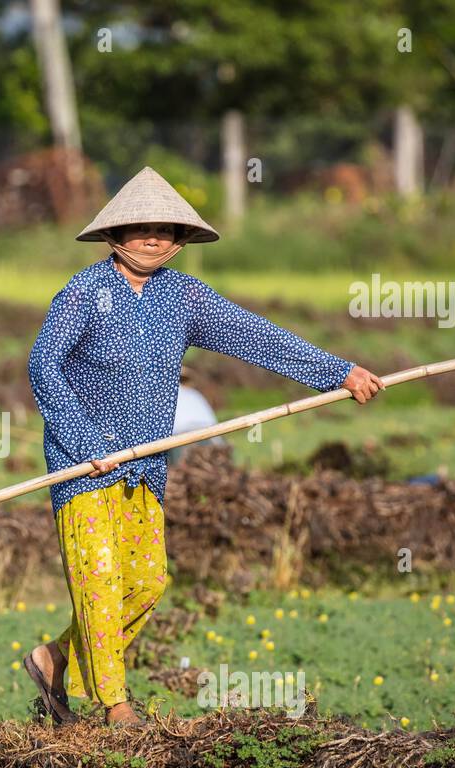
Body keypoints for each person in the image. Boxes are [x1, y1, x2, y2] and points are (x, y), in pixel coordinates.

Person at [22, 167, 383, 727]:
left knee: (145, 583)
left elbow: (256, 336)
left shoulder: (184, 296)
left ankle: (56, 658)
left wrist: (339, 371)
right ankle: (115, 705)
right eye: (141, 228)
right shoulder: (85, 294)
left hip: (146, 465)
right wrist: (85, 440)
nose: (154, 238)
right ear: (115, 235)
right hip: (84, 463)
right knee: (98, 578)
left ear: (181, 239)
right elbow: (44, 365)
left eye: (166, 230)